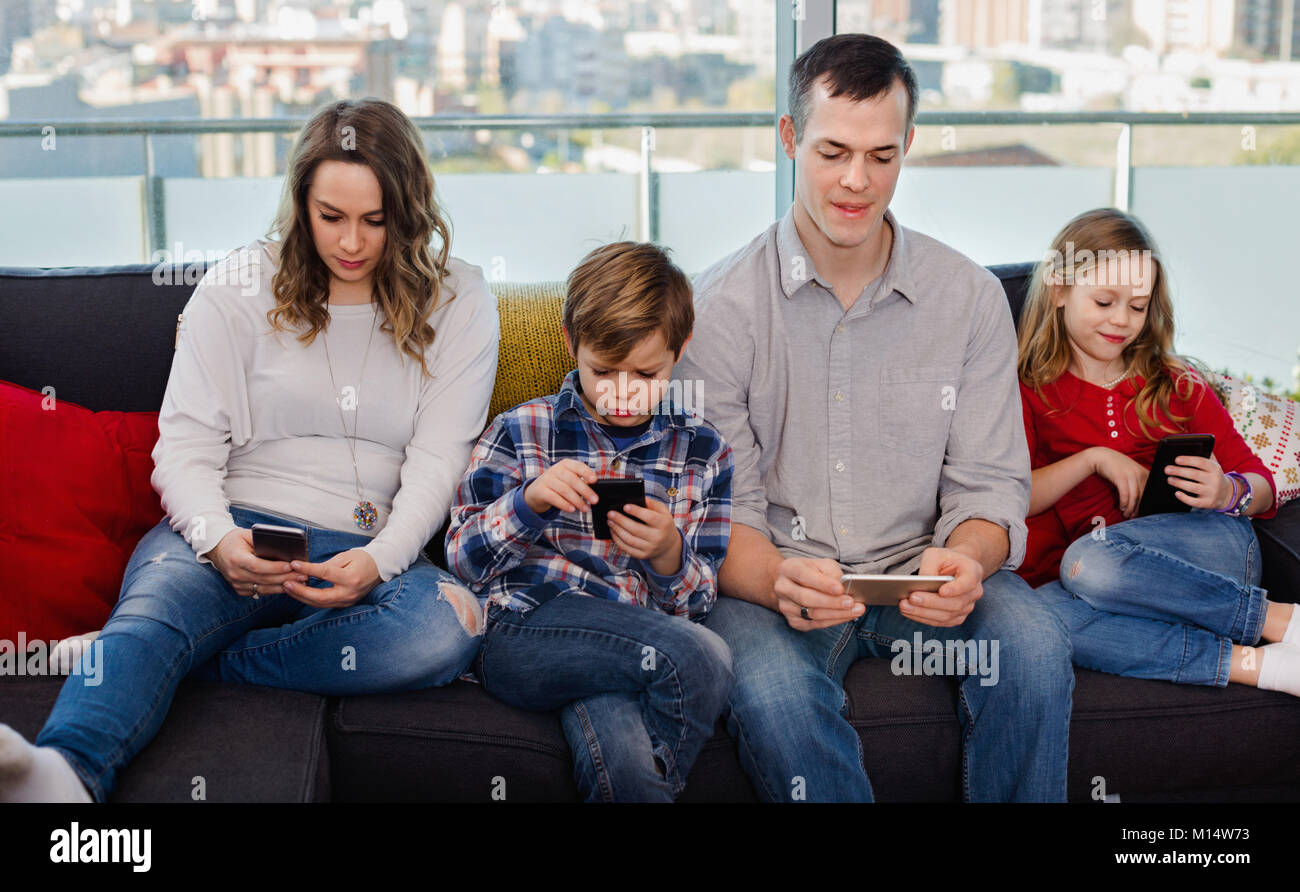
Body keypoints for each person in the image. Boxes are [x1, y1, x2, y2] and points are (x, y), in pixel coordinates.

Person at [0, 98, 500, 803]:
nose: (351, 242)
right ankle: (65, 772)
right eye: (331, 217)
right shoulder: (238, 285)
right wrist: (216, 539)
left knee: (446, 630)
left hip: (365, 547)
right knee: (157, 610)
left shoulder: (461, 299)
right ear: (301, 204)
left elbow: (440, 458)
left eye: (375, 220)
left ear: (409, 212)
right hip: (235, 525)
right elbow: (185, 447)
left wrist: (380, 560)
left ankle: (168, 662)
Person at [672, 33, 1074, 802]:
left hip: (922, 580)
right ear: (790, 140)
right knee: (777, 696)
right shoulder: (717, 311)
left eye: (882, 156)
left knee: (1030, 646)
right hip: (781, 585)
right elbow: (722, 518)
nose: (856, 182)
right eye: (832, 152)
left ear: (908, 147)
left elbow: (990, 488)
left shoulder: (970, 299)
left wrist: (969, 559)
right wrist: (779, 578)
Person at [444, 242, 734, 802]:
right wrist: (528, 503)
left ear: (680, 350)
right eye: (603, 371)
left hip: (630, 650)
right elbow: (460, 560)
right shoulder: (522, 429)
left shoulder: (703, 451)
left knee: (627, 768)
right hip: (526, 634)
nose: (622, 392)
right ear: (570, 342)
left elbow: (696, 603)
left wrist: (667, 552)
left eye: (646, 373)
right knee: (705, 655)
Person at [1016, 207, 1300, 695]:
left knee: (1091, 563)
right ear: (1060, 291)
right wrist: (1093, 458)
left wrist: (1226, 492)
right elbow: (1011, 496)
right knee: (1040, 619)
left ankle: (1282, 621)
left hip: (1205, 553)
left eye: (1137, 306)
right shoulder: (1026, 389)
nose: (1121, 321)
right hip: (1087, 580)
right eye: (1104, 301)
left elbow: (1262, 487)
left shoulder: (1177, 384)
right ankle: (1259, 665)